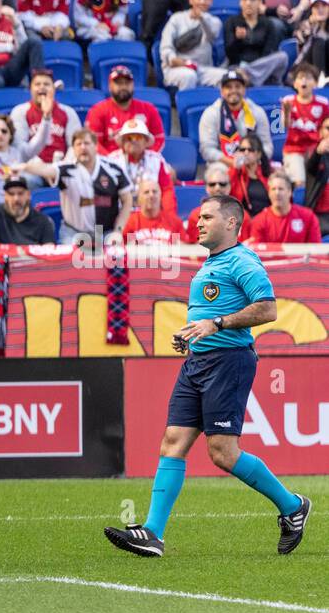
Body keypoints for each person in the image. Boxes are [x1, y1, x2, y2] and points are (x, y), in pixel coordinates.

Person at [104, 195, 310, 558]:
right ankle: (152, 533)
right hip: (199, 362)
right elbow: (211, 314)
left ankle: (292, 506)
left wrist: (216, 324)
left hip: (228, 362)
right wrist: (191, 335)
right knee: (173, 441)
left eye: (207, 217)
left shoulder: (243, 260)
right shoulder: (210, 264)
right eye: (199, 217)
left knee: (223, 453)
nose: (198, 223)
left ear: (231, 223)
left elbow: (268, 308)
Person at [24, 127, 133, 244]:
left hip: (106, 232)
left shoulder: (113, 169)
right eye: (78, 144)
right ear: (73, 149)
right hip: (73, 232)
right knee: (70, 260)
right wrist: (24, 167)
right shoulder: (66, 169)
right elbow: (46, 170)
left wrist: (118, 230)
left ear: (96, 146)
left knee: (116, 256)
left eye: (86, 143)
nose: (83, 147)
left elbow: (127, 200)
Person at [9, 69, 80, 176]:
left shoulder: (68, 112)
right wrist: (41, 168)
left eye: (46, 84)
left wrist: (61, 167)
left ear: (53, 89)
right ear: (30, 89)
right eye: (37, 84)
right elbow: (20, 150)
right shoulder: (20, 112)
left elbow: (75, 145)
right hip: (31, 169)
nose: (42, 87)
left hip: (61, 169)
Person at [199, 70, 275, 166]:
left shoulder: (257, 112)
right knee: (218, 175)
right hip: (223, 164)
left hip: (253, 163)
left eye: (237, 86)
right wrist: (232, 162)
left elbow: (267, 146)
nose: (233, 90)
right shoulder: (211, 113)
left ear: (244, 90)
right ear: (222, 91)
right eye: (229, 87)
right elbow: (207, 150)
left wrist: (253, 160)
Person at [86, 65, 167, 155]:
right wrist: (112, 162)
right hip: (108, 163)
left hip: (142, 163)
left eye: (127, 83)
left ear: (133, 85)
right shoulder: (97, 111)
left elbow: (159, 139)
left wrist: (145, 159)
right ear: (110, 86)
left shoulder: (149, 109)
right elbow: (94, 143)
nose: (123, 87)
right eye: (119, 83)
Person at [160, 0, 226, 90]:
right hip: (177, 68)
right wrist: (173, 59)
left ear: (211, 1)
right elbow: (166, 45)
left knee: (226, 77)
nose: (202, 1)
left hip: (203, 69)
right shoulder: (177, 18)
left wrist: (202, 18)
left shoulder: (215, 21)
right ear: (191, 0)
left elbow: (212, 35)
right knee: (189, 75)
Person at [108, 118, 178, 219]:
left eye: (138, 137)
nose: (134, 141)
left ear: (146, 141)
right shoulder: (111, 161)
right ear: (122, 142)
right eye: (129, 137)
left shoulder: (156, 159)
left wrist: (169, 217)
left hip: (149, 216)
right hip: (119, 216)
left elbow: (167, 191)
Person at [224, 0, 293, 86]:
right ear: (240, 2)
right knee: (236, 69)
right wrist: (237, 40)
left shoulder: (268, 23)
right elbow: (230, 54)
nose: (248, 3)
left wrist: (251, 68)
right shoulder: (232, 22)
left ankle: (247, 76)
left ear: (260, 2)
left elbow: (268, 52)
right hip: (238, 65)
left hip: (260, 67)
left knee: (282, 57)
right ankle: (250, 77)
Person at [0, 175, 59, 243]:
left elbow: (49, 251)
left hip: (29, 268)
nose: (16, 199)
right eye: (11, 194)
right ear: (5, 196)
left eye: (20, 193)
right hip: (0, 269)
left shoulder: (42, 221)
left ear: (28, 195)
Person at [279, 63, 329, 186]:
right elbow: (280, 128)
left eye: (308, 77)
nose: (304, 80)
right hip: (293, 149)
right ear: (295, 83)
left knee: (322, 182)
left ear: (316, 83)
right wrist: (286, 112)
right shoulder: (286, 101)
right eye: (300, 77)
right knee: (299, 181)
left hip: (317, 150)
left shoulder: (324, 103)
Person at [182, 163, 251, 243]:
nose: (217, 188)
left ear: (229, 187)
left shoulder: (243, 216)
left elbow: (247, 247)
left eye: (222, 184)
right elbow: (193, 249)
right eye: (212, 184)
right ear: (207, 188)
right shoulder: (195, 216)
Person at [247, 170, 322, 241]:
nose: (277, 193)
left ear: (290, 192)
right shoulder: (259, 221)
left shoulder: (308, 217)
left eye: (281, 189)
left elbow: (316, 250)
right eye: (273, 189)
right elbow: (256, 252)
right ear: (269, 193)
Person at [123, 177, 185, 244]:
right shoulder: (131, 222)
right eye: (146, 192)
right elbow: (124, 249)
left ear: (161, 196)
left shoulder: (174, 222)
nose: (151, 195)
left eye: (154, 191)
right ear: (139, 198)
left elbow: (181, 250)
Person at [290, 0, 329, 72]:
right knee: (319, 42)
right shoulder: (305, 26)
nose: (320, 9)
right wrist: (312, 24)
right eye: (316, 6)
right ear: (311, 10)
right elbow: (301, 44)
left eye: (324, 6)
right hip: (302, 70)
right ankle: (319, 81)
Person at [302, 115, 329, 234]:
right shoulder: (313, 153)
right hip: (319, 215)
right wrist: (318, 152)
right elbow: (310, 166)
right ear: (320, 132)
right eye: (328, 128)